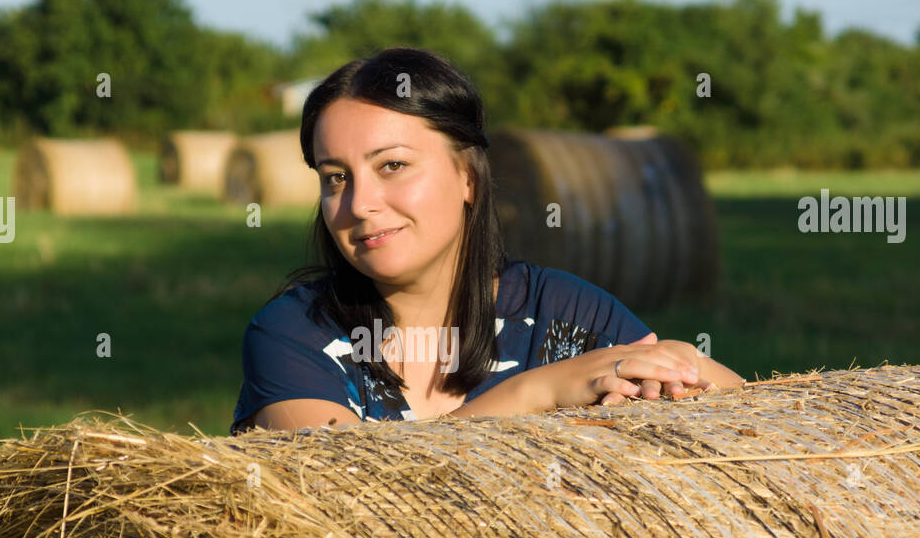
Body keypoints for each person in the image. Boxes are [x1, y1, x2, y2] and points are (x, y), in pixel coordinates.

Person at [231, 47, 744, 435]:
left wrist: (687, 366)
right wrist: (536, 392)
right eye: (336, 178)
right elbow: (348, 495)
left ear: (469, 179)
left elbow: (751, 427)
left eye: (392, 165)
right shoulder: (294, 335)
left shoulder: (562, 314)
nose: (359, 203)